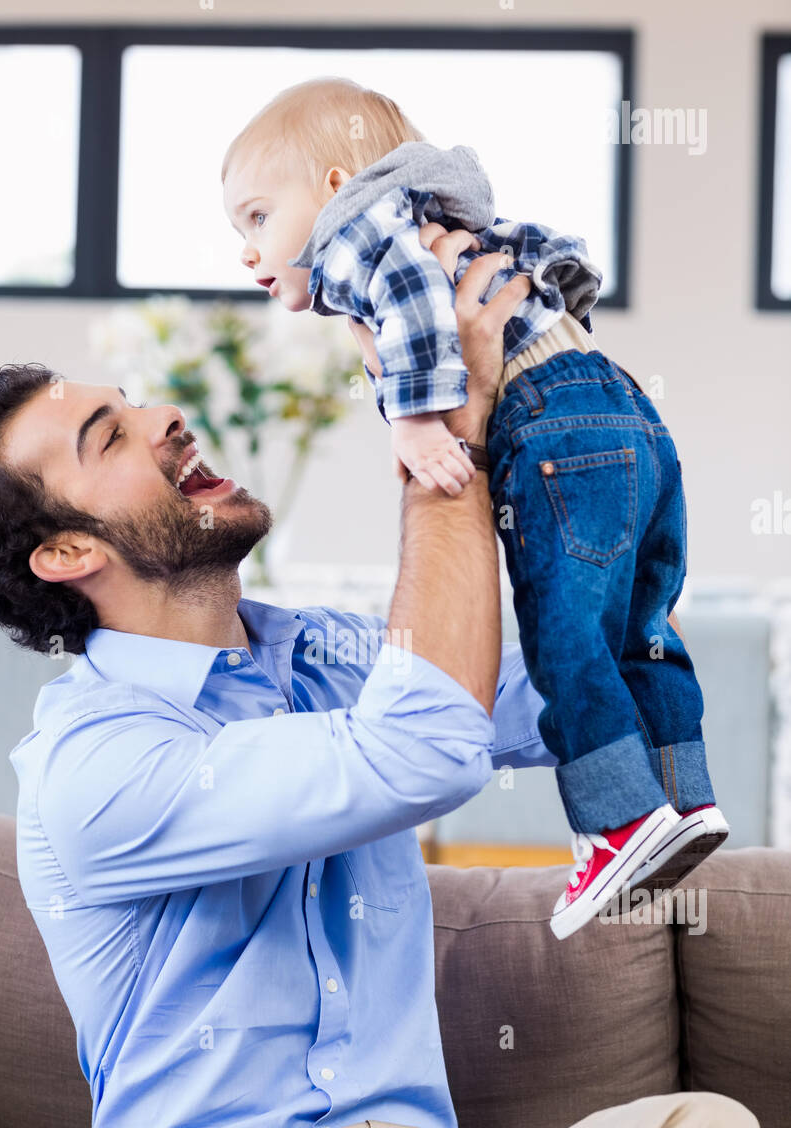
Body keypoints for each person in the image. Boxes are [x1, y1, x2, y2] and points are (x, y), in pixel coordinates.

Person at [0, 232, 787, 1128]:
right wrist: (437, 422)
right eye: (110, 436)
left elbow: (567, 695)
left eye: (136, 403)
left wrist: (554, 422)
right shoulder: (89, 761)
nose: (162, 418)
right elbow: (416, 747)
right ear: (68, 554)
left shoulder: (330, 654)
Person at [221, 76, 729, 939]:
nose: (247, 251)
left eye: (259, 218)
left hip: (549, 425)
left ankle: (617, 826)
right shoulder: (443, 216)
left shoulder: (358, 236)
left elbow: (419, 312)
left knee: (564, 632)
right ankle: (683, 798)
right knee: (640, 627)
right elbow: (549, 256)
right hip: (625, 412)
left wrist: (417, 422)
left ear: (338, 186)